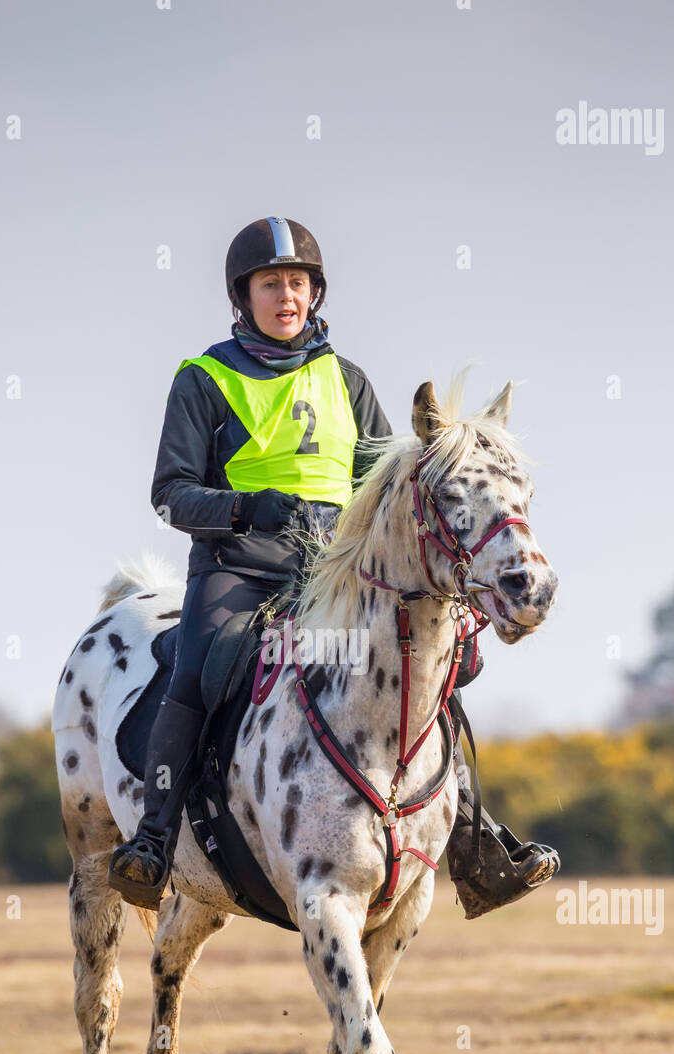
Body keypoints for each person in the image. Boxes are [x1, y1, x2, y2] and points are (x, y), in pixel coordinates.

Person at [107, 215, 558, 915]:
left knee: (433, 665)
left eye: (297, 282)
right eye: (270, 283)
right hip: (240, 568)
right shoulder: (203, 379)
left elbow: (384, 486)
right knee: (200, 665)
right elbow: (170, 493)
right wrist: (248, 508)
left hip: (337, 572)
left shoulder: (346, 379)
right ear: (243, 295)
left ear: (314, 293)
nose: (286, 295)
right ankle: (154, 839)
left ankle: (474, 846)